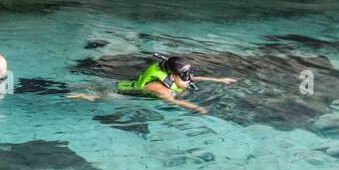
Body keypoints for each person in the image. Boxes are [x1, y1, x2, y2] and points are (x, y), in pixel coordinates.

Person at [66, 54, 235, 114]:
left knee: (98, 86)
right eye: (185, 76)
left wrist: (220, 80)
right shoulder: (161, 89)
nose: (189, 79)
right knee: (96, 97)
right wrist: (197, 108)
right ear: (172, 75)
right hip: (118, 94)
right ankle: (79, 94)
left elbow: (192, 80)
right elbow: (175, 102)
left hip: (123, 85)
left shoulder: (172, 77)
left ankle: (76, 86)